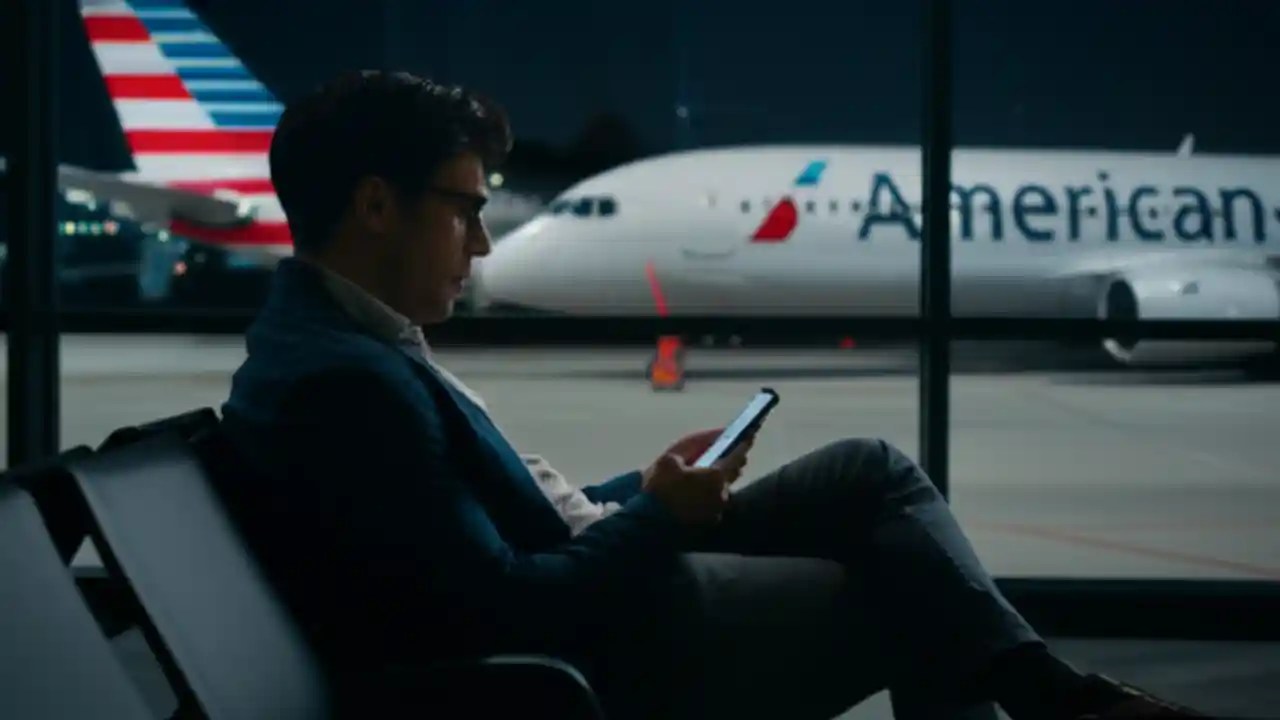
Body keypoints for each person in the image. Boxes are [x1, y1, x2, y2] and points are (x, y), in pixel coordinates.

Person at [218, 70, 1209, 719]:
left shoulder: (334, 344)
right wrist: (652, 515)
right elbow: (515, 610)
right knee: (908, 590)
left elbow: (488, 539)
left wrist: (635, 489)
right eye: (466, 212)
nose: (480, 245)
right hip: (608, 647)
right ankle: (1057, 699)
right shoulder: (346, 388)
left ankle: (1051, 696)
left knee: (870, 476)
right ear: (376, 205)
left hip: (593, 568)